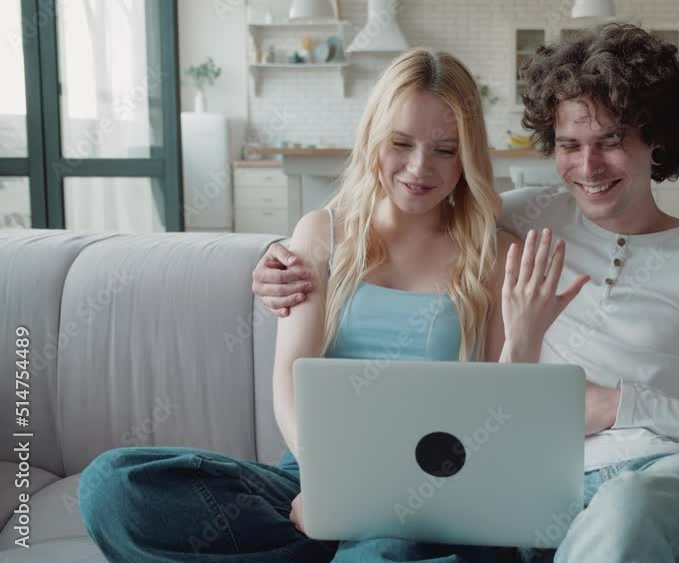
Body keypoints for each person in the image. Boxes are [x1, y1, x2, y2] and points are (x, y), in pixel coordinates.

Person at [255, 24, 679, 563]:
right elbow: (418, 213)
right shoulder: (523, 219)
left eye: (610, 141)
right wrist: (282, 259)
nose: (587, 167)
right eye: (569, 145)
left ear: (658, 140)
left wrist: (620, 407)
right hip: (551, 487)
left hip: (677, 478)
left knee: (628, 509)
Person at [78, 48, 586, 563]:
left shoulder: (493, 252)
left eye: (444, 150)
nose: (418, 167)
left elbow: (498, 422)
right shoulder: (323, 233)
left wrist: (525, 340)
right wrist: (329, 484)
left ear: (468, 156)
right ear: (373, 140)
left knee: (393, 538)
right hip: (313, 468)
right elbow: (289, 380)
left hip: (429, 484)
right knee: (115, 487)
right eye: (401, 143)